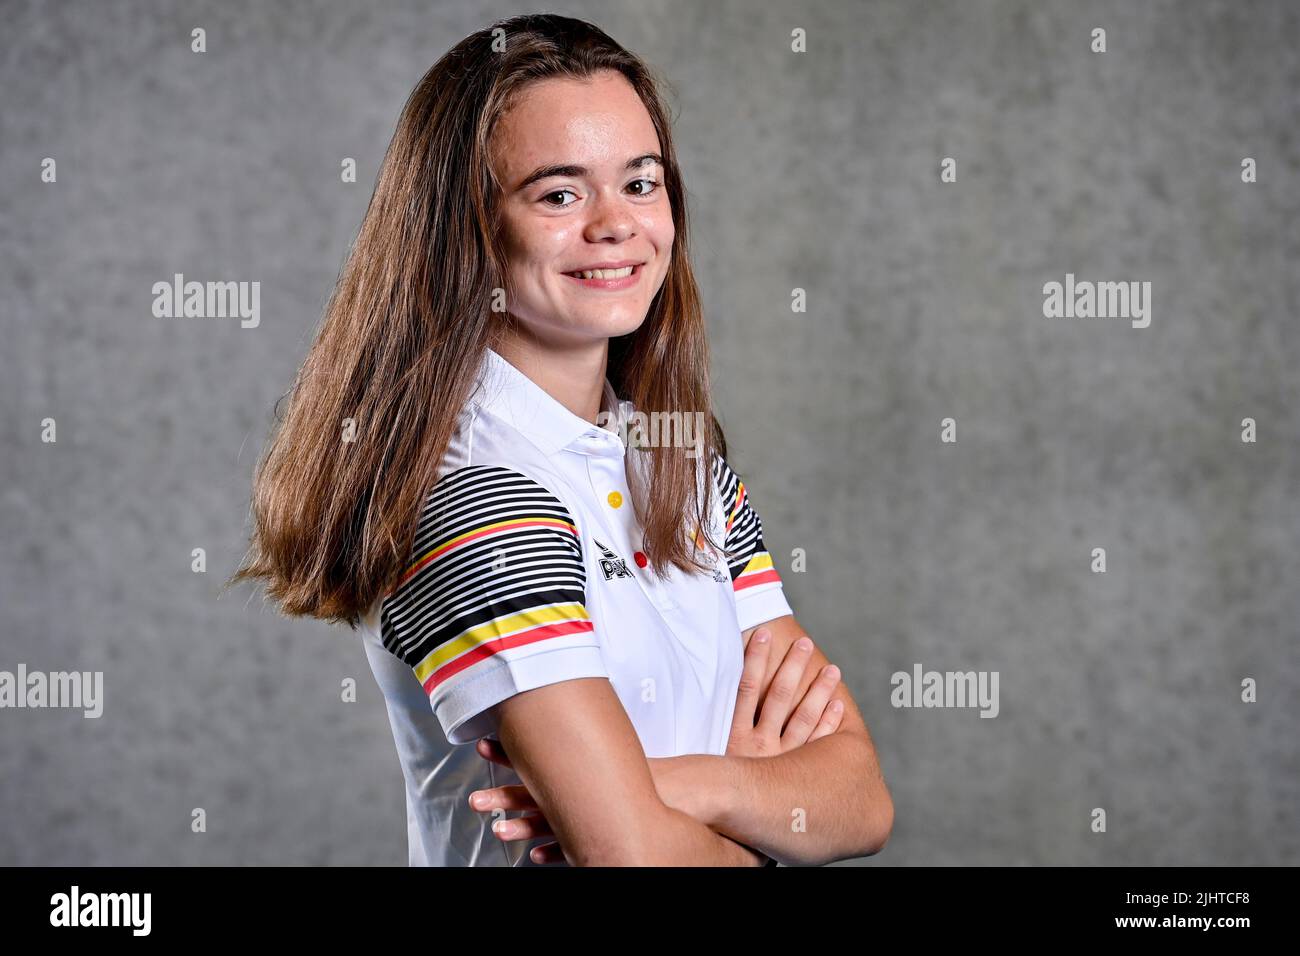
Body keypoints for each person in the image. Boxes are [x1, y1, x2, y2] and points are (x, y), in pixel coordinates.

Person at [229, 13, 893, 866]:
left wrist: (679, 787)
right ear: (465, 227)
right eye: (559, 193)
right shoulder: (471, 495)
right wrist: (759, 805)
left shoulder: (686, 469)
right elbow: (632, 860)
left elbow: (860, 801)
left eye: (641, 183)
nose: (616, 224)